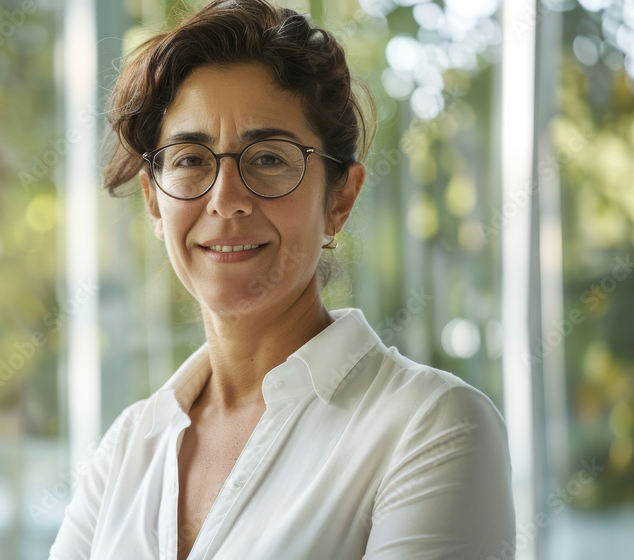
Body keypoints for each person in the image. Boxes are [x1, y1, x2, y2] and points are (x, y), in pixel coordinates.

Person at [49, 1, 515, 558]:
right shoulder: (127, 447)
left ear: (340, 198)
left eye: (268, 158)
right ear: (154, 201)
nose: (225, 201)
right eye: (191, 159)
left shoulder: (431, 427)